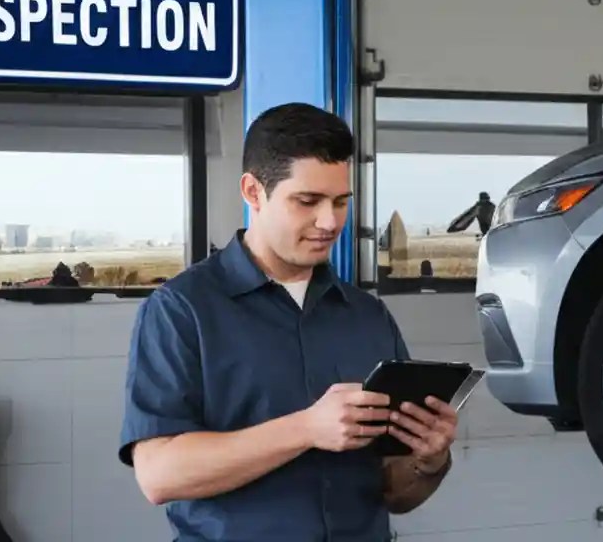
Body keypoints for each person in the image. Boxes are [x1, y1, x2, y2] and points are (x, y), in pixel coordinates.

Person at [118, 102, 457, 541]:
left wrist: (428, 461)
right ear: (253, 192)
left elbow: (395, 493)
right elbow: (159, 475)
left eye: (340, 202)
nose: (329, 221)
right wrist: (307, 428)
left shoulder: (368, 316)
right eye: (307, 201)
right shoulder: (181, 311)